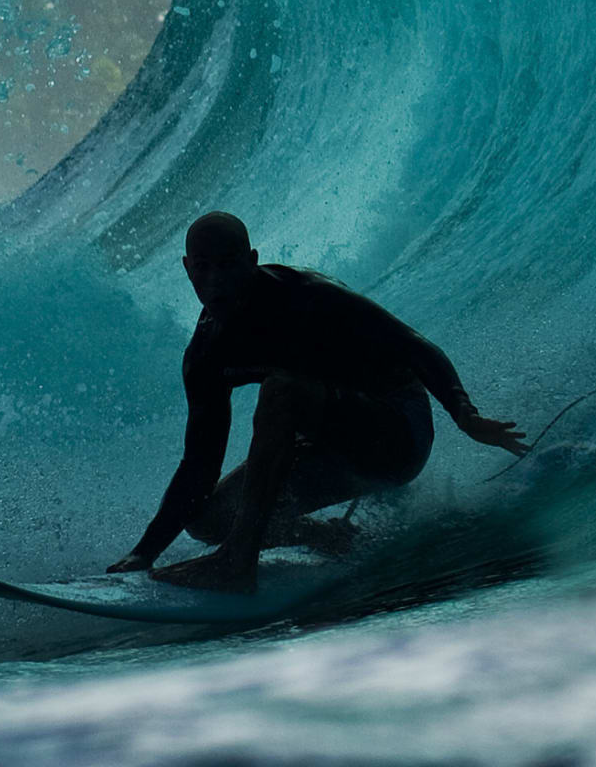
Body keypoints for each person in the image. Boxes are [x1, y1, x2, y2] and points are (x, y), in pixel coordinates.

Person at [111, 210, 527, 591]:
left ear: (252, 260)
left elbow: (412, 346)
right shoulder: (206, 354)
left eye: (228, 264)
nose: (215, 280)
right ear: (187, 270)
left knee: (283, 391)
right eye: (202, 268)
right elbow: (199, 465)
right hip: (328, 450)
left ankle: (238, 560)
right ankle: (323, 535)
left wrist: (465, 414)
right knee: (204, 517)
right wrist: (144, 553)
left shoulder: (305, 295)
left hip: (396, 434)